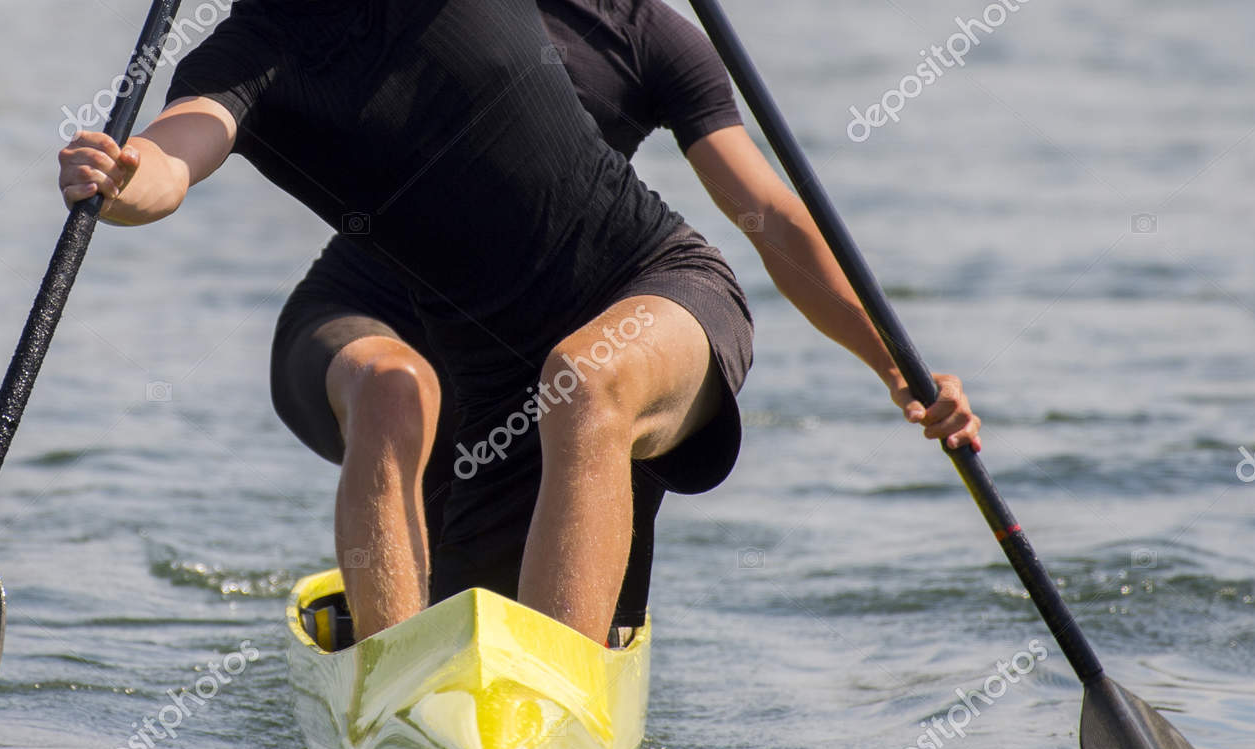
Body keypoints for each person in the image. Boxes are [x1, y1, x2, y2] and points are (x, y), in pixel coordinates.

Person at [58, 0, 979, 645]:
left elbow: (772, 218)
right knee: (490, 446)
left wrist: (895, 365)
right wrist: (126, 175)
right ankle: (404, 699)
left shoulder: (643, 35)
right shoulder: (242, 58)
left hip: (652, 287)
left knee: (584, 381)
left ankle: (553, 718)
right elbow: (175, 157)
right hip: (491, 373)